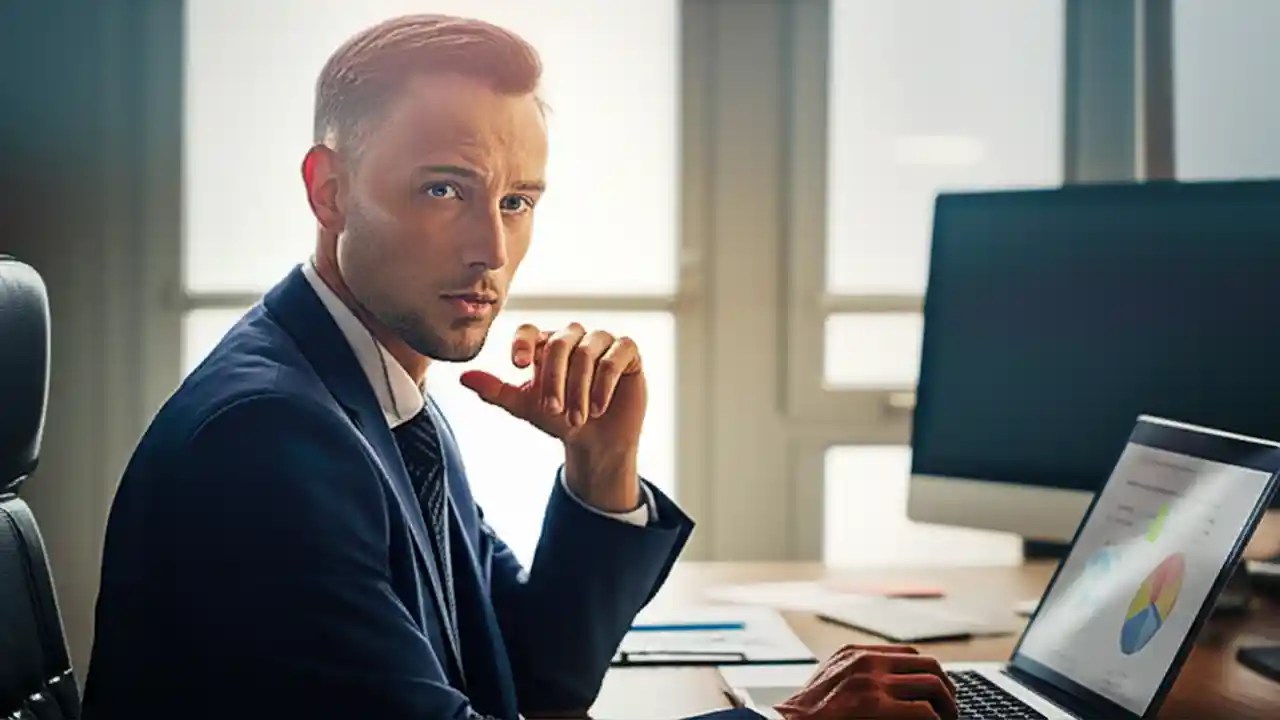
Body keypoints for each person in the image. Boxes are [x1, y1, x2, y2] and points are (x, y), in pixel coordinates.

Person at [82, 14, 957, 720]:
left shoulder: (375, 396)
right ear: (328, 190)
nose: (490, 250)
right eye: (444, 190)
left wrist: (601, 467)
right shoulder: (272, 439)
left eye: (515, 201)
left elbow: (535, 683)